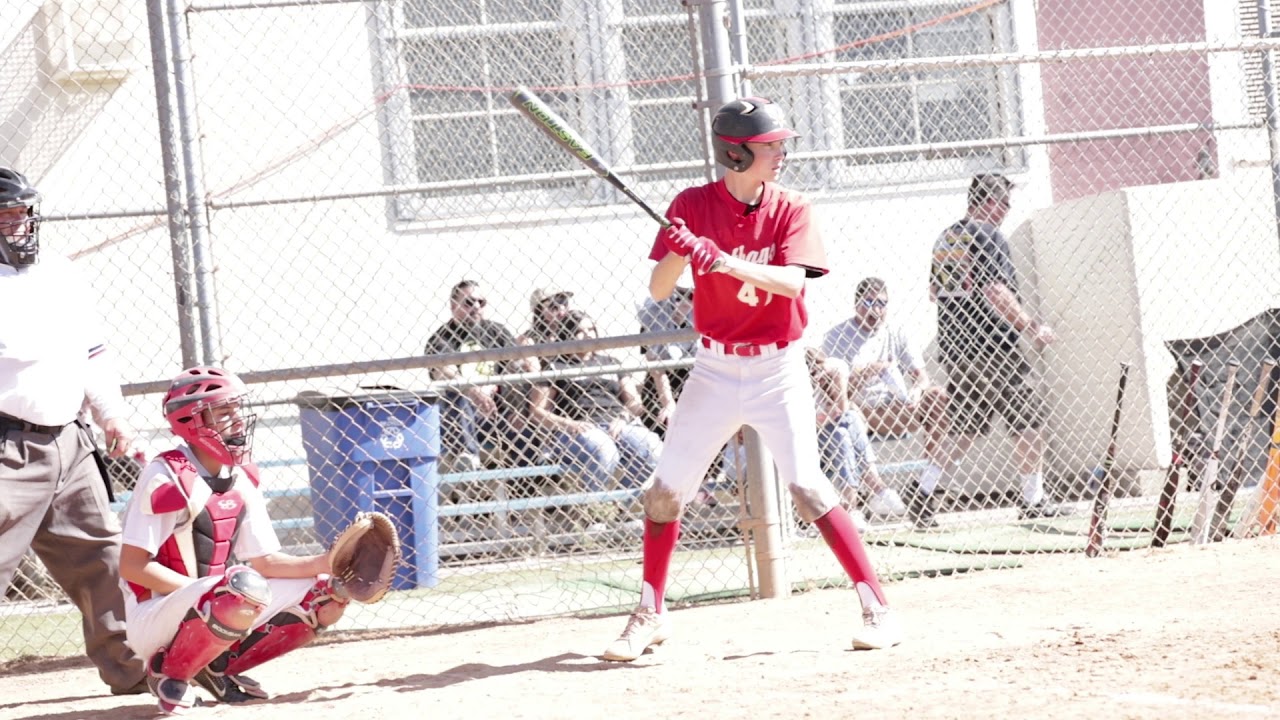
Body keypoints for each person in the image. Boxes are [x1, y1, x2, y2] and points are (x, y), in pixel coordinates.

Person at [601, 96, 901, 662]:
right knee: (663, 493)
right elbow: (663, 289)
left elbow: (791, 284)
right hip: (714, 368)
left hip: (777, 367)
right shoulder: (691, 204)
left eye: (780, 144)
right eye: (770, 146)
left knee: (809, 488)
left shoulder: (792, 208)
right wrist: (679, 248)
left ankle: (877, 608)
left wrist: (719, 259)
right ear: (736, 153)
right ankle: (648, 613)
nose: (781, 153)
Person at [119, 367, 350, 714]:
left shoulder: (240, 475)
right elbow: (132, 566)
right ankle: (170, 673)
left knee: (325, 593)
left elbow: (267, 561)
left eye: (237, 409)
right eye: (224, 412)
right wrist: (206, 593)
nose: (238, 420)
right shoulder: (167, 475)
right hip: (153, 617)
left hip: (207, 601)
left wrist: (328, 563)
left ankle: (216, 666)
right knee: (237, 590)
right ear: (191, 421)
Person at [0, 166, 147, 695]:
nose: (18, 225)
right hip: (5, 450)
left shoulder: (59, 272)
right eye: (5, 216)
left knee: (104, 562)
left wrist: (114, 418)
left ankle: (135, 673)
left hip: (71, 443)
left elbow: (93, 354)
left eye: (23, 214)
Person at [924, 173, 1068, 525]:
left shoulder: (948, 237)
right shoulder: (988, 236)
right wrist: (1031, 327)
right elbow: (995, 292)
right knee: (1029, 421)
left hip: (958, 349)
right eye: (1004, 203)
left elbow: (934, 292)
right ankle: (1032, 498)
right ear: (991, 202)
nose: (1006, 211)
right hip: (995, 348)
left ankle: (923, 490)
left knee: (965, 428)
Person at [821, 277, 947, 527]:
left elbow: (920, 376)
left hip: (897, 407)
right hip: (861, 409)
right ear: (857, 305)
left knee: (938, 397)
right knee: (849, 413)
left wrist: (916, 392)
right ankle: (866, 496)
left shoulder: (896, 332)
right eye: (869, 302)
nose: (876, 310)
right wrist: (866, 372)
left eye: (882, 303)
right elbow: (833, 390)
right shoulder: (838, 336)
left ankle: (925, 485)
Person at [529, 311, 663, 501]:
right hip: (578, 430)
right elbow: (537, 411)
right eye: (579, 331)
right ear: (567, 335)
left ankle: (618, 508)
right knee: (604, 448)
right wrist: (569, 424)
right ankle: (595, 513)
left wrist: (622, 419)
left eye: (591, 329)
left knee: (652, 448)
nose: (588, 335)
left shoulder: (610, 363)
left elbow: (634, 402)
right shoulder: (556, 366)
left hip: (616, 424)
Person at [424, 279, 519, 471]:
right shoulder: (441, 338)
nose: (476, 307)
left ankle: (536, 478)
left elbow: (515, 364)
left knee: (524, 381)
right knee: (454, 391)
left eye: (481, 302)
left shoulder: (497, 331)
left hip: (499, 411)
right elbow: (445, 372)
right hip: (461, 417)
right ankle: (468, 457)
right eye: (468, 302)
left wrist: (494, 385)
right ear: (453, 306)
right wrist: (474, 391)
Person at [636, 285, 695, 435]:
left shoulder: (702, 318)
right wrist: (668, 404)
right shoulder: (654, 317)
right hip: (660, 386)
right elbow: (656, 368)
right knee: (666, 421)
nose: (683, 303)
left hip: (695, 380)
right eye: (677, 298)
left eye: (690, 297)